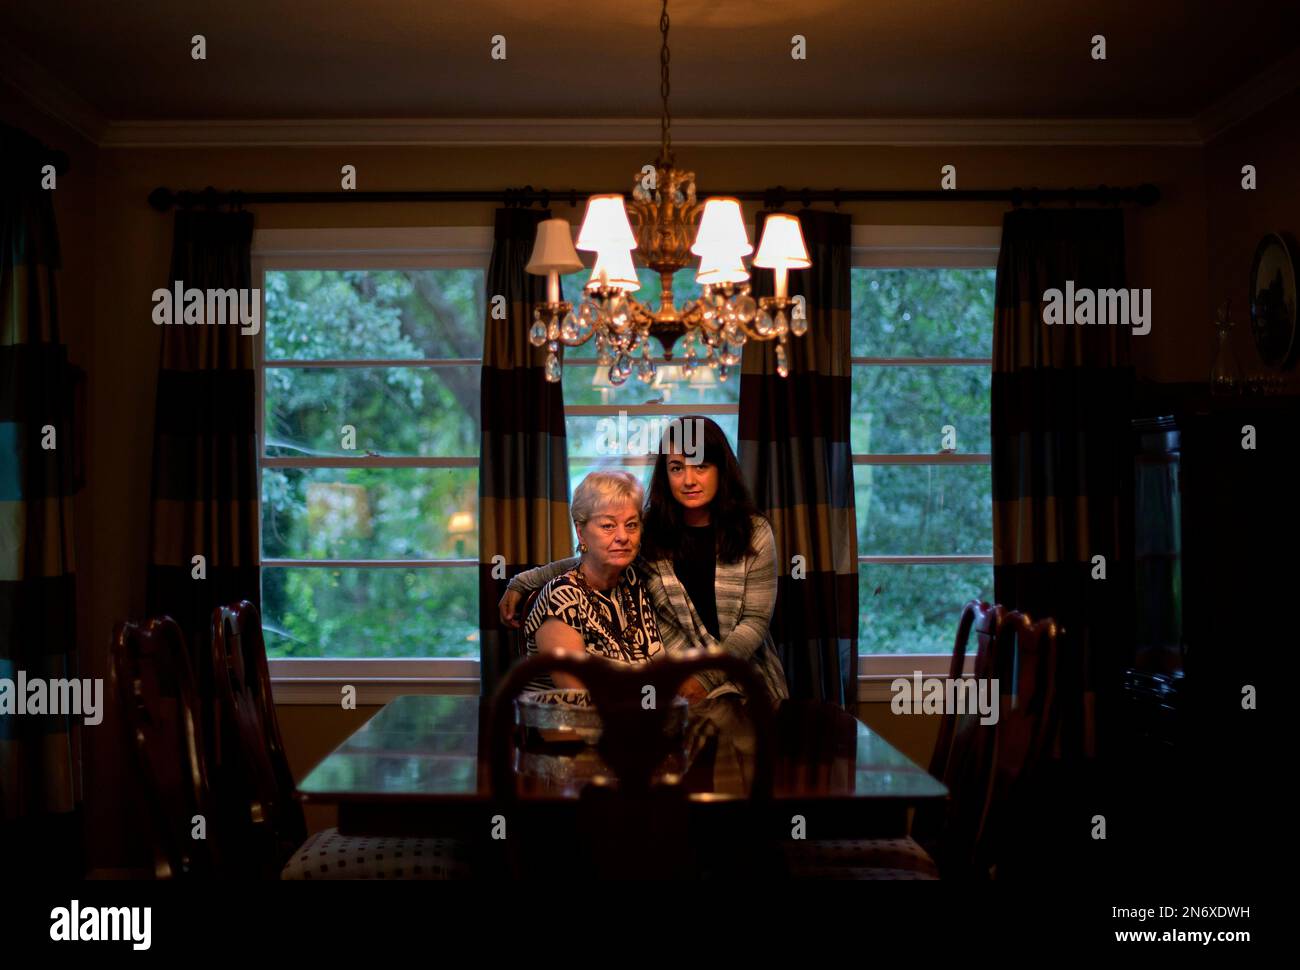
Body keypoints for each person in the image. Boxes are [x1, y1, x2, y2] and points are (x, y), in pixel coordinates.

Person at [502, 416, 788, 705]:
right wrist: (524, 581)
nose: (689, 480)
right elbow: (596, 556)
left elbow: (754, 621)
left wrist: (707, 678)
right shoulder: (649, 529)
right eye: (677, 468)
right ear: (665, 473)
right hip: (672, 680)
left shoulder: (753, 532)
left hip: (742, 671)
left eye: (701, 466)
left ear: (720, 470)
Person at [522, 470, 663, 692]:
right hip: (580, 724)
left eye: (631, 525)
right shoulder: (562, 598)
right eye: (608, 526)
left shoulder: (637, 582)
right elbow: (577, 703)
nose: (623, 536)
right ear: (581, 533)